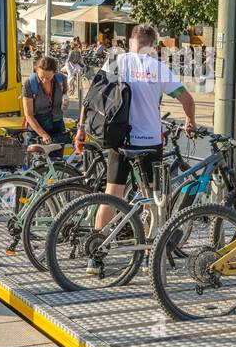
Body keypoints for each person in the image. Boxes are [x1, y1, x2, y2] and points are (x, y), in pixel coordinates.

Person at [74, 25, 197, 250]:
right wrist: (190, 121)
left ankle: (96, 249)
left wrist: (81, 127)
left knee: (112, 194)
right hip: (150, 142)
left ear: (132, 42)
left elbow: (91, 97)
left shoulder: (115, 62)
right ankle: (150, 251)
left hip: (120, 140)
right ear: (153, 44)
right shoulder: (158, 68)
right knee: (153, 197)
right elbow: (187, 100)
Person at [22, 56, 71, 150]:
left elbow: (64, 95)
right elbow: (28, 115)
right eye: (41, 77)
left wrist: (65, 101)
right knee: (38, 163)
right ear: (36, 71)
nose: (44, 80)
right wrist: (43, 134)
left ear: (54, 72)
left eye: (48, 77)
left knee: (57, 163)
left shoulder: (61, 80)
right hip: (37, 128)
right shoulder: (29, 84)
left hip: (57, 126)